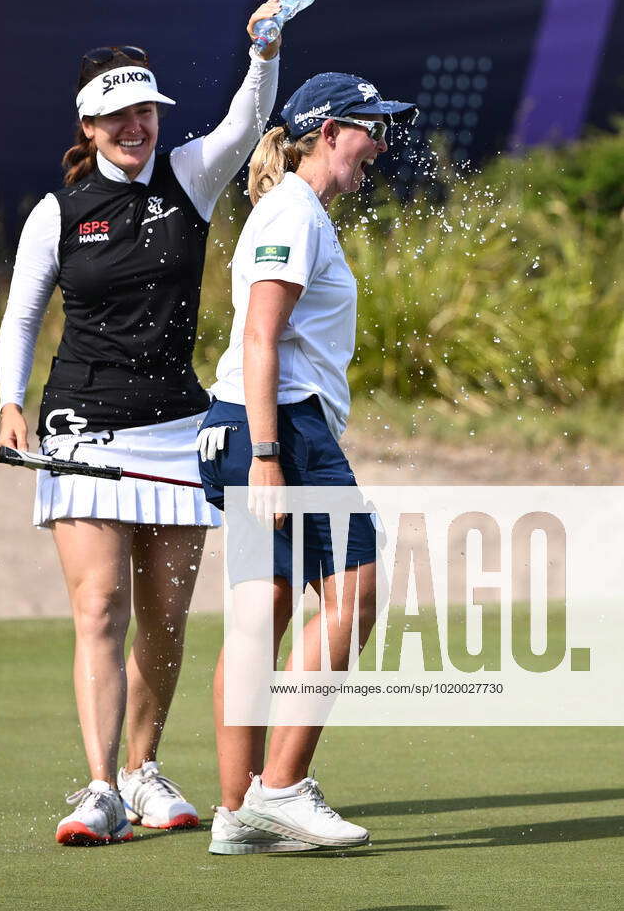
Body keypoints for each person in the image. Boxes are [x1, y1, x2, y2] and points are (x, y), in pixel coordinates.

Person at [0, 2, 281, 845]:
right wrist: (13, 404)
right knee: (101, 607)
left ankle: (143, 769)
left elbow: (248, 120)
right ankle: (98, 790)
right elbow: (20, 317)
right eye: (118, 114)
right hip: (81, 425)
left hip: (174, 428)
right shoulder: (58, 211)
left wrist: (263, 51)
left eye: (147, 110)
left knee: (165, 615)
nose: (136, 126)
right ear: (88, 123)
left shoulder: (188, 175)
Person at [197, 72, 417, 853]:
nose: (381, 143)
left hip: (253, 424)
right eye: (370, 128)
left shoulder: (291, 210)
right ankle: (282, 789)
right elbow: (260, 336)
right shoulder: (293, 210)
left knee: (265, 614)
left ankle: (238, 814)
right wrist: (265, 456)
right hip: (278, 431)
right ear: (328, 132)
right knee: (354, 597)